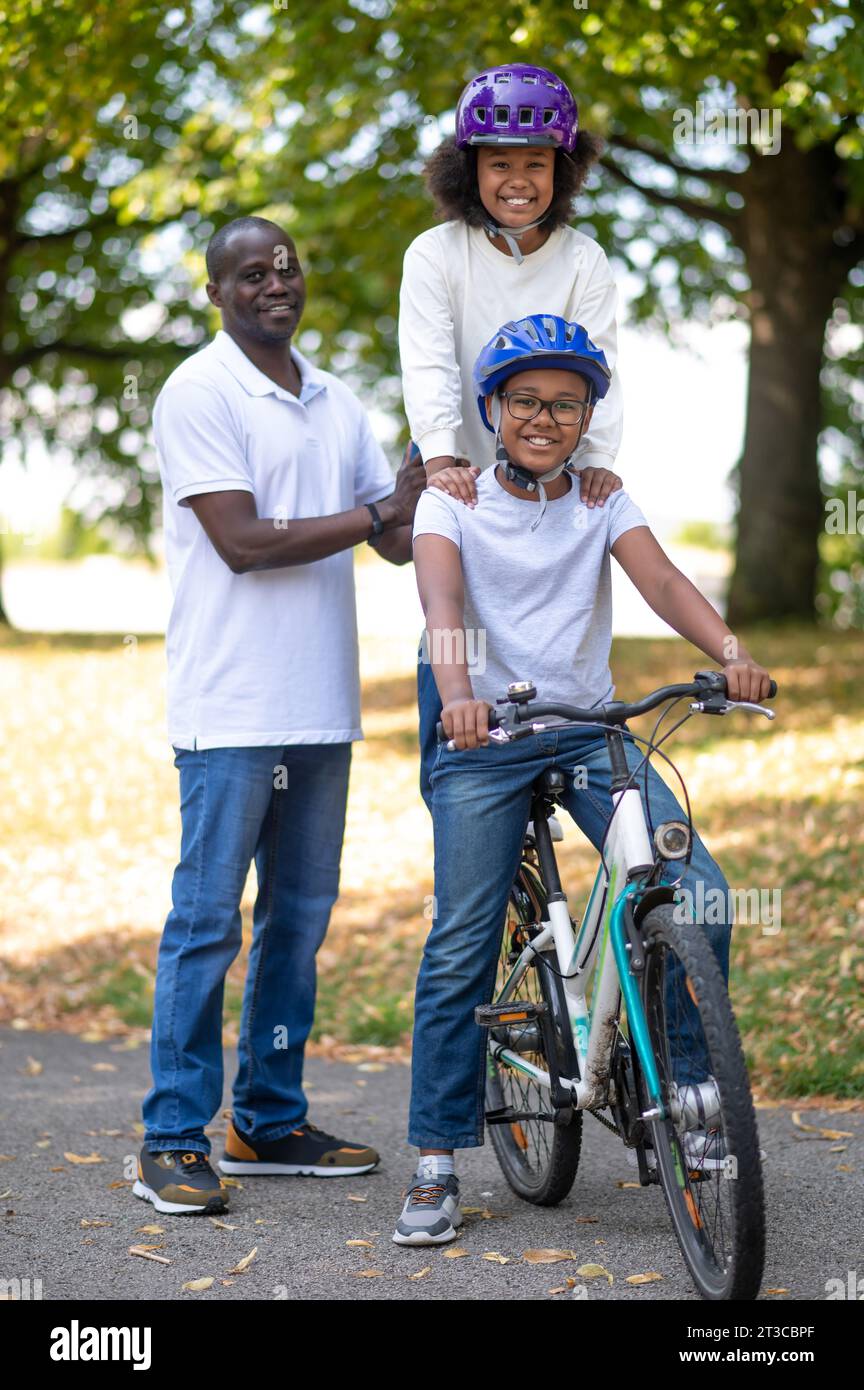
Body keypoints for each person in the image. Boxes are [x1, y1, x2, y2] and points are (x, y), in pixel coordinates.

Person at [392, 314, 773, 1245]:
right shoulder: (453, 502)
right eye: (524, 400)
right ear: (492, 408)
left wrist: (732, 656)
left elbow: (667, 582)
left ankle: (688, 1095)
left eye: (566, 403)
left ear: (588, 416)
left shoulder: (603, 501)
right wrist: (457, 698)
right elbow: (442, 604)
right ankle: (437, 1162)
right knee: (462, 937)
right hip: (483, 733)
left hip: (585, 731)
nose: (543, 417)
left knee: (699, 893)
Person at [137, 215, 425, 1216]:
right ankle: (171, 1136)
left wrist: (427, 480)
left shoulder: (337, 399)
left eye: (288, 267)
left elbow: (392, 539)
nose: (276, 282)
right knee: (207, 925)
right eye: (251, 272)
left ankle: (266, 1118)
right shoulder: (199, 391)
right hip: (231, 711)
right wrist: (375, 516)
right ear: (215, 293)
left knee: (296, 926)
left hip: (320, 707)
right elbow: (245, 543)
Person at [398, 63, 625, 809]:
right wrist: (441, 459)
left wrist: (594, 460)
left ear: (564, 169)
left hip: (554, 456)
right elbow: (429, 359)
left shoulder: (584, 260)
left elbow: (603, 361)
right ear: (471, 171)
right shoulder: (435, 254)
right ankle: (459, 794)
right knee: (451, 619)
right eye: (500, 163)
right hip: (458, 467)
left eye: (536, 163)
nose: (518, 179)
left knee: (552, 622)